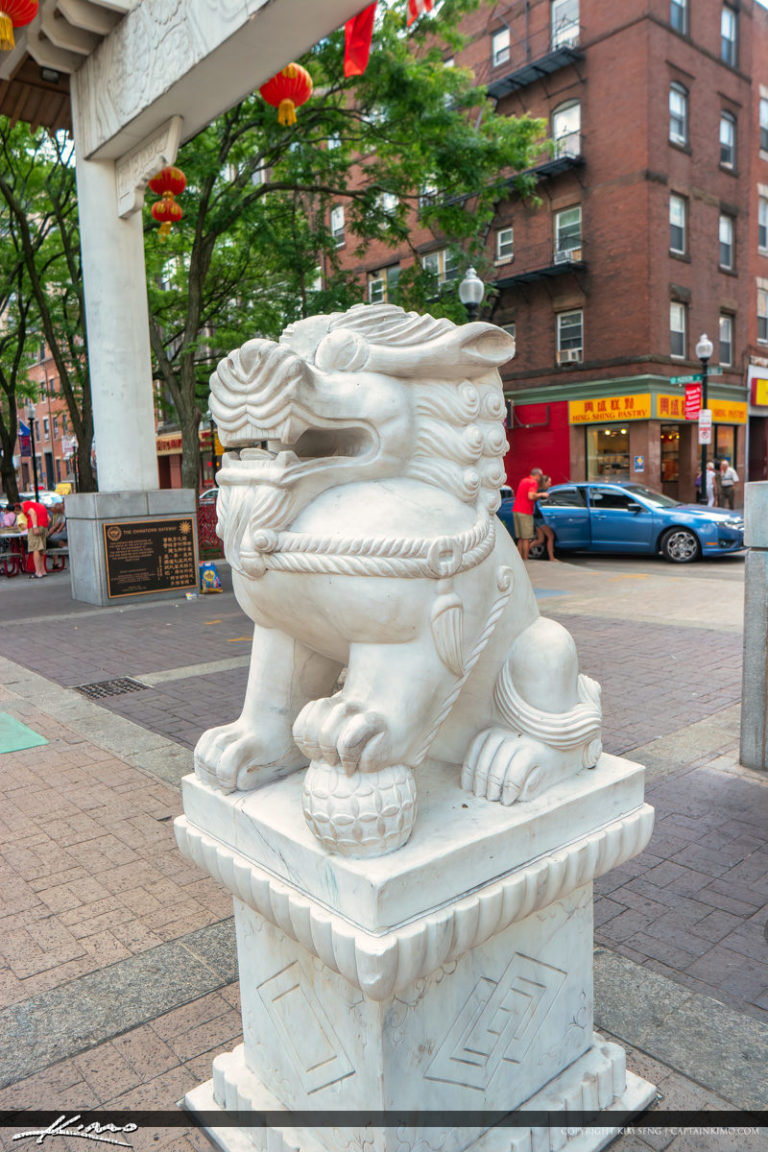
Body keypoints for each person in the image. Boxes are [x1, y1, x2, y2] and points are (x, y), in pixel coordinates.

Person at [512, 466, 547, 560]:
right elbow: (531, 496)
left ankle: (519, 559)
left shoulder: (523, 480)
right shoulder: (533, 482)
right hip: (525, 511)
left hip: (516, 510)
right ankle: (526, 558)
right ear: (538, 475)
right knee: (526, 538)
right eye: (541, 476)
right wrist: (542, 494)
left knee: (520, 538)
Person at [21, 497, 50, 578]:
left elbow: (32, 513)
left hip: (35, 527)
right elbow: (49, 519)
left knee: (36, 549)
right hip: (44, 527)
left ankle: (38, 572)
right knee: (41, 549)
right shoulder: (40, 505)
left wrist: (35, 527)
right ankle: (43, 571)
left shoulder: (25, 504)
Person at [533, 474, 558, 561]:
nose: (550, 484)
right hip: (539, 517)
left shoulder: (539, 491)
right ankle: (551, 557)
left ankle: (522, 552)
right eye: (549, 482)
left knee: (540, 539)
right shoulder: (543, 492)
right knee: (550, 536)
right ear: (544, 482)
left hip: (536, 516)